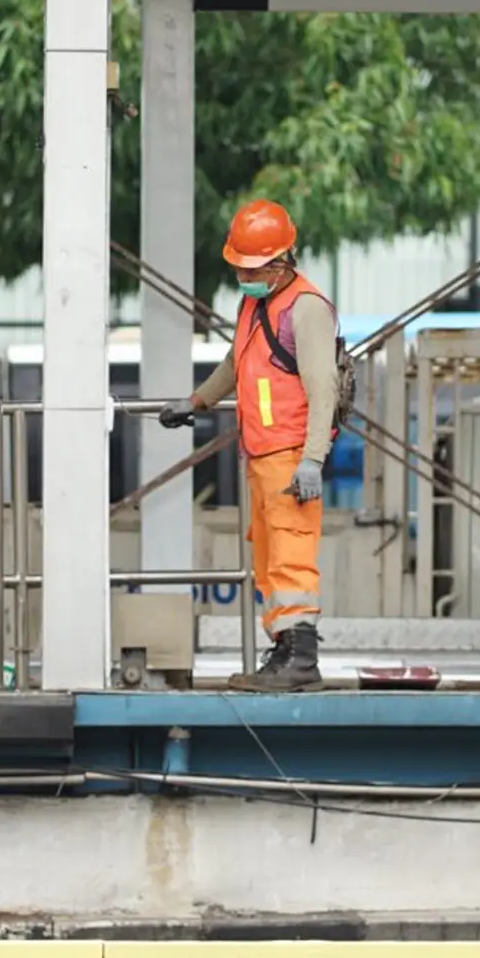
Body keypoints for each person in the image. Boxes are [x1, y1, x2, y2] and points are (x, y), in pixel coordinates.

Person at [161, 199, 338, 692]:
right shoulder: (255, 305)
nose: (244, 274)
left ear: (284, 260)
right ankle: (284, 652)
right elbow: (236, 366)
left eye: (252, 267)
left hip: (290, 455)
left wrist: (312, 460)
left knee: (290, 558)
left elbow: (322, 388)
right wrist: (195, 402)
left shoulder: (306, 308)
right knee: (269, 561)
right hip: (262, 456)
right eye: (239, 266)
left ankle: (301, 659)